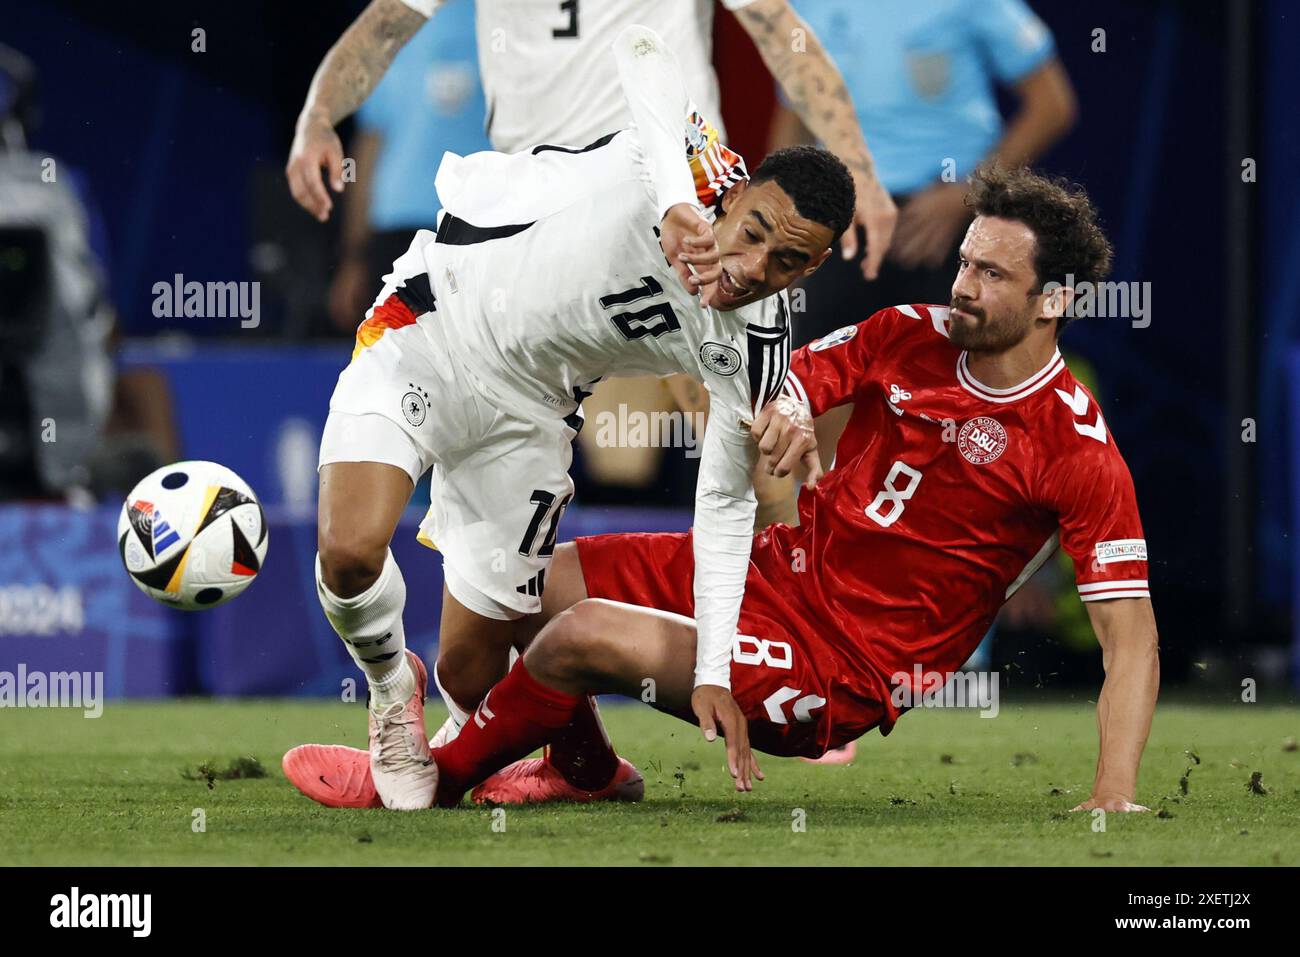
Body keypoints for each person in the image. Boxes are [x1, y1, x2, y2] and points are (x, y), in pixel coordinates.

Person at [287, 164, 1159, 814]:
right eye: (966, 263)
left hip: (842, 666)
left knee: (577, 636)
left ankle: (427, 782)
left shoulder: (1076, 446)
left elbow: (1131, 641)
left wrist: (1113, 791)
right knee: (534, 588)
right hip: (773, 576)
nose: (963, 286)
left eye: (992, 275)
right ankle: (583, 769)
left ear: (1054, 300)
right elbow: (785, 381)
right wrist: (781, 414)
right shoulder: (908, 333)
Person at [313, 25, 847, 810]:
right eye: (755, 233)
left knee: (470, 672)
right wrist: (670, 204)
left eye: (788, 264)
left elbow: (727, 499)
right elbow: (641, 52)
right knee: (350, 552)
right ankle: (392, 689)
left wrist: (712, 671)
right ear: (735, 195)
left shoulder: (753, 344)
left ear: (815, 267)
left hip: (529, 411)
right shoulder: (697, 165)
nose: (752, 269)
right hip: (433, 322)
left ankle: (586, 764)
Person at [769, 0, 1076, 468]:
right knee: (802, 385)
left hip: (946, 224)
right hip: (844, 217)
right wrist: (790, 225)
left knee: (963, 404)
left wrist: (965, 196)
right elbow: (792, 120)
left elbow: (1052, 104)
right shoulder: (805, 7)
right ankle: (826, 525)